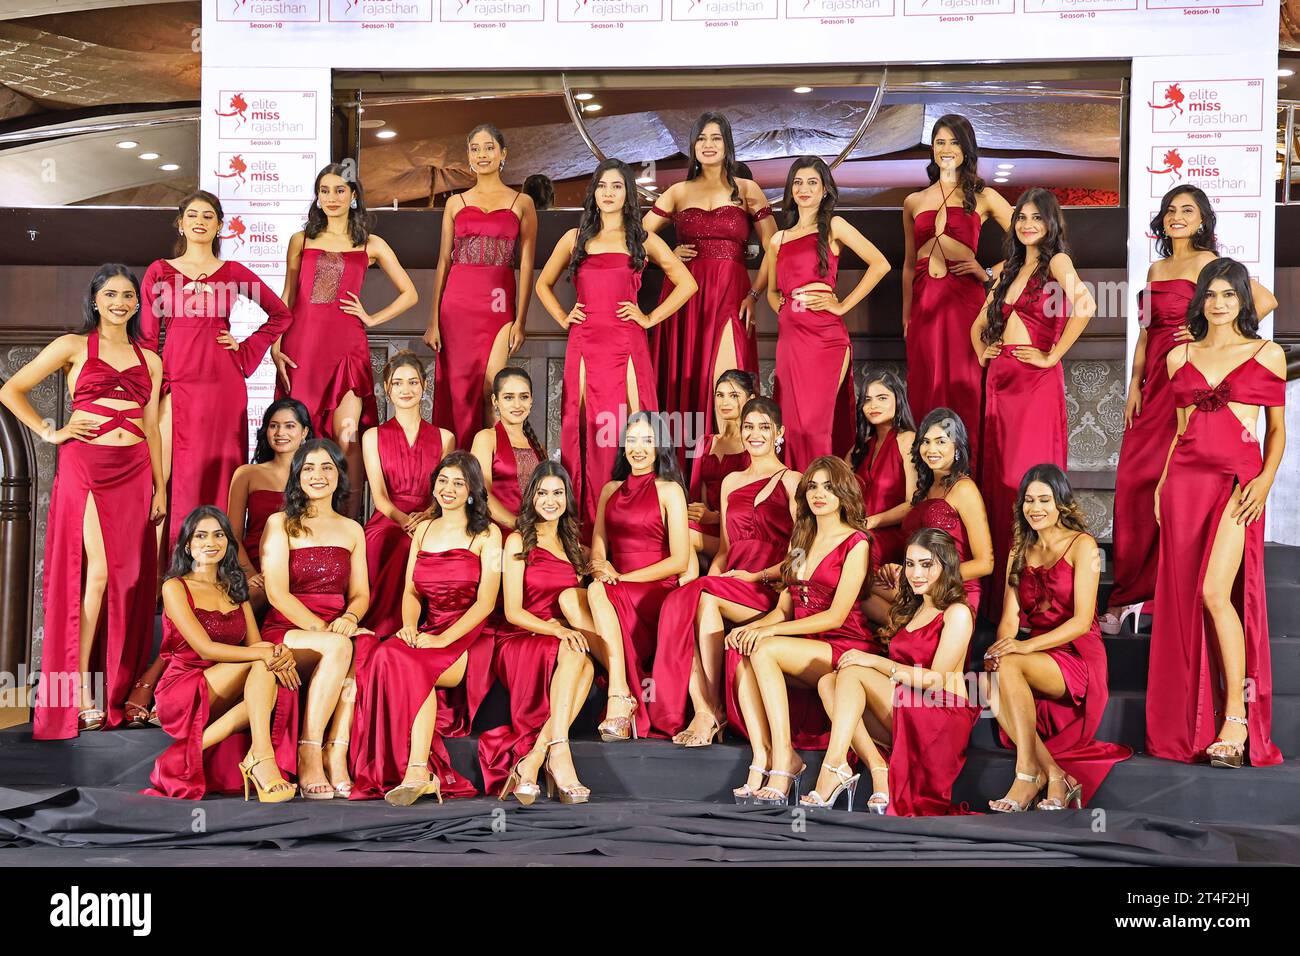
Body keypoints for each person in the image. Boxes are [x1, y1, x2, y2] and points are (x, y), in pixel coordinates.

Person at [1, 264, 164, 738]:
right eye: (111, 294)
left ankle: (111, 686)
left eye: (128, 295)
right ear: (95, 300)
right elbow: (11, 389)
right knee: (95, 573)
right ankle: (79, 692)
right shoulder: (73, 346)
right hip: (87, 466)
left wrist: (161, 486)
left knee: (128, 580)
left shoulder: (149, 358)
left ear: (138, 303)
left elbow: (152, 427)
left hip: (134, 470)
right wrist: (51, 432)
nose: (120, 302)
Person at [1105, 188, 1277, 633]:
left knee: (1180, 489)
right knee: (1135, 483)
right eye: (1170, 211)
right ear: (1161, 221)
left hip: (1190, 385)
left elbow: (1264, 300)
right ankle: (1132, 593)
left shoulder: (1209, 264)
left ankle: (1170, 593)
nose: (1177, 217)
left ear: (1202, 220)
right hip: (1154, 387)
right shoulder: (1155, 268)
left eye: (1188, 211)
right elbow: (1144, 334)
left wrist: (1203, 331)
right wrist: (1133, 386)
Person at [1148, 258, 1286, 767]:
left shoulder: (1266, 354)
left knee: (1214, 591)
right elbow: (1180, 428)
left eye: (1230, 295)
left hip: (1237, 482)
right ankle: (1190, 720)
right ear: (1200, 300)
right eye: (1212, 294)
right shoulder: (1178, 356)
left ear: (1243, 302)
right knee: (1185, 599)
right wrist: (1163, 484)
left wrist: (1265, 481)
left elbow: (1276, 432)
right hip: (1184, 481)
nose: (1220, 302)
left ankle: (1236, 715)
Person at [534, 158, 697, 535]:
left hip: (627, 342)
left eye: (617, 187)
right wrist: (563, 317)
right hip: (585, 341)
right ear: (594, 192)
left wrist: (649, 317)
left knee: (630, 428)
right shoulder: (575, 239)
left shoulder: (642, 239)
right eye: (603, 186)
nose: (609, 193)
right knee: (587, 428)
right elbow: (543, 285)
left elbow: (687, 283)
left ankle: (638, 523)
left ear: (628, 194)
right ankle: (586, 525)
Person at [141, 190, 293, 549]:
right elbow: (148, 341)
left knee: (222, 475)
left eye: (208, 216)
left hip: (223, 385)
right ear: (180, 223)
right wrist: (150, 390)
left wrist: (245, 349)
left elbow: (281, 315)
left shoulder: (233, 271)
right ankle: (170, 580)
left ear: (220, 226)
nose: (199, 221)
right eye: (192, 215)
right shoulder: (159, 271)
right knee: (171, 477)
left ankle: (221, 572)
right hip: (176, 383)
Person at [349, 451, 501, 805]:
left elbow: (486, 603)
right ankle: (383, 764)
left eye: (459, 483)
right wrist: (408, 627)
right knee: (384, 652)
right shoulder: (423, 530)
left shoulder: (489, 535)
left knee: (413, 666)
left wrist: (443, 639)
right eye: (443, 481)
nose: (448, 489)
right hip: (429, 628)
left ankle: (418, 770)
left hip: (469, 636)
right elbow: (411, 591)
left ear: (472, 490)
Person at [973, 187, 1095, 618]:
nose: (1027, 224)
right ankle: (1000, 604)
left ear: (1051, 224)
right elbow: (978, 326)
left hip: (1034, 384)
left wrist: (1051, 356)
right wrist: (983, 353)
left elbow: (1086, 305)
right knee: (999, 485)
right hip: (1000, 383)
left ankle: (1034, 602)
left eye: (1036, 218)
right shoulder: (1007, 269)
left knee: (1026, 485)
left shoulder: (1056, 263)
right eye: (1021, 217)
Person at [727, 456, 876, 805]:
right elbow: (783, 608)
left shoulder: (857, 542)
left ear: (843, 493)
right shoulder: (802, 540)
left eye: (828, 486)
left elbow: (836, 617)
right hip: (805, 643)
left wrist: (771, 636)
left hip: (845, 644)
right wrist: (754, 628)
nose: (819, 494)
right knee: (741, 650)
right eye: (812, 487)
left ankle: (786, 760)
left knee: (764, 648)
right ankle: (762, 756)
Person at [272, 164, 418, 514]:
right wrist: (276, 342)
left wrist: (371, 318)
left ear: (354, 196)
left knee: (347, 437)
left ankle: (346, 525)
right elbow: (288, 295)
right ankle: (297, 522)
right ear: (317, 197)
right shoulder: (301, 240)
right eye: (325, 190)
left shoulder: (370, 244)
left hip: (347, 350)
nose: (332, 197)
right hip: (302, 347)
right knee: (300, 438)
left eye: (340, 190)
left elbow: (410, 294)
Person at [984, 465, 1130, 812]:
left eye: (1044, 500)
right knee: (989, 678)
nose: (1035, 508)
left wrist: (1021, 646)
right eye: (1029, 500)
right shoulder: (1019, 550)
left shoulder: (1084, 546)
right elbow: (1009, 619)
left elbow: (1082, 622)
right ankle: (1051, 772)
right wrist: (1001, 647)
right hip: (1036, 654)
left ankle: (1025, 773)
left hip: (1077, 653)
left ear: (1061, 503)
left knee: (1010, 663)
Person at [656, 396, 800, 746]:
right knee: (686, 599)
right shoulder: (732, 482)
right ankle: (704, 707)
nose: (754, 434)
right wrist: (718, 576)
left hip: (770, 585)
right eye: (749, 426)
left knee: (700, 598)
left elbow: (801, 556)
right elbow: (723, 551)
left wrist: (754, 576)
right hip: (731, 582)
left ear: (779, 432)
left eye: (764, 427)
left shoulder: (794, 480)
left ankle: (713, 710)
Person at [806, 528, 977, 815]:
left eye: (926, 564)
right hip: (910, 706)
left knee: (855, 671)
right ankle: (878, 768)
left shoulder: (957, 612)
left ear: (946, 566)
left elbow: (935, 681)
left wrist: (873, 662)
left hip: (942, 715)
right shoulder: (914, 608)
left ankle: (834, 765)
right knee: (827, 682)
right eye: (910, 564)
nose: (916, 573)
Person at [644, 111, 775, 465]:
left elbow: (775, 247)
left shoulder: (747, 190)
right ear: (693, 146)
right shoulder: (677, 191)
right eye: (701, 139)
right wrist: (666, 256)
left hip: (733, 293)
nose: (708, 145)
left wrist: (755, 294)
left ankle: (736, 470)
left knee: (729, 384)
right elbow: (635, 237)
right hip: (684, 295)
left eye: (715, 138)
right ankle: (686, 475)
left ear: (727, 145)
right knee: (685, 375)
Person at [144, 507, 299, 802]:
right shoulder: (174, 587)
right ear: (187, 545)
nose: (210, 542)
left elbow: (255, 645)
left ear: (228, 542)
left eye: (218, 535)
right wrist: (268, 655)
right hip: (184, 687)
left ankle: (221, 751)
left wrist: (278, 653)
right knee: (265, 662)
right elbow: (205, 649)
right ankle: (263, 757)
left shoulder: (233, 588)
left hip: (226, 683)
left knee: (271, 667)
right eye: (200, 535)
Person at [477, 462, 609, 804]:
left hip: (561, 637)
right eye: (543, 493)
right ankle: (558, 755)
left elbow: (596, 575)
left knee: (587, 663)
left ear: (567, 498)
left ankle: (536, 757)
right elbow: (512, 611)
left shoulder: (572, 546)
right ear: (531, 497)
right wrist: (553, 629)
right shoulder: (518, 541)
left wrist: (602, 566)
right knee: (579, 656)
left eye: (558, 493)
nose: (551, 500)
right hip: (521, 635)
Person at [259, 439, 371, 799]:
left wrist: (351, 617)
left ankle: (335, 751)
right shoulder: (281, 523)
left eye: (326, 467)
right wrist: (323, 629)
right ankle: (309, 750)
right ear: (297, 476)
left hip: (334, 628)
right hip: (289, 629)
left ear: (339, 475)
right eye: (308, 468)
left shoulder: (352, 529)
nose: (318, 475)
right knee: (341, 646)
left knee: (367, 643)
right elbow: (276, 593)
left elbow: (360, 594)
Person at [768, 156, 890, 471]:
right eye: (798, 182)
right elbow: (772, 292)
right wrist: (787, 311)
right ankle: (792, 496)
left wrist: (842, 305)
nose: (804, 188)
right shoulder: (777, 240)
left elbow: (880, 264)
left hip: (826, 339)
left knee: (814, 426)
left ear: (825, 190)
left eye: (812, 182)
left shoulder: (834, 225)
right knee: (790, 426)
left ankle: (822, 498)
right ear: (790, 190)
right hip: (790, 341)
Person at [902, 114, 1013, 460]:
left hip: (965, 305)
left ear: (966, 150)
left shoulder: (984, 196)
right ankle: (928, 491)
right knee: (925, 390)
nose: (946, 149)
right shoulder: (913, 201)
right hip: (923, 308)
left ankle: (968, 487)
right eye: (939, 142)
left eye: (953, 142)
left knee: (966, 393)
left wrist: (989, 273)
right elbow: (907, 264)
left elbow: (1034, 244)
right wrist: (906, 315)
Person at [425, 124, 538, 449]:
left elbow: (526, 265)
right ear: (469, 157)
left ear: (503, 154)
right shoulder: (455, 203)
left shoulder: (522, 202)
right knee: (458, 392)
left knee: (493, 390)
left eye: (489, 147)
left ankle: (492, 477)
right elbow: (444, 262)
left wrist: (521, 320)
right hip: (456, 305)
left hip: (499, 304)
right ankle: (460, 476)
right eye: (475, 149)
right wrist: (433, 320)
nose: (481, 154)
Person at [584, 412, 692, 741]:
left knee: (598, 592)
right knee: (587, 592)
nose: (638, 448)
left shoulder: (670, 490)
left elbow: (680, 560)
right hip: (617, 585)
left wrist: (623, 578)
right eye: (631, 440)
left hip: (655, 590)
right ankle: (621, 690)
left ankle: (620, 696)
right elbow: (598, 548)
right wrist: (602, 567)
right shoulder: (610, 490)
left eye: (647, 440)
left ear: (659, 446)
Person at [866, 408, 992, 623]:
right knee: (860, 588)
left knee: (863, 591)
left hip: (953, 588)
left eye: (941, 441)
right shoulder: (924, 491)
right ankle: (903, 634)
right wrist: (899, 570)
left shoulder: (964, 489)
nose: (931, 449)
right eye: (926, 441)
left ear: (957, 446)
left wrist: (926, 577)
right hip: (920, 584)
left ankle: (909, 634)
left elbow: (985, 563)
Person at [359, 352, 453, 637]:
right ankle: (379, 631)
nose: (406, 390)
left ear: (424, 386)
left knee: (426, 546)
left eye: (413, 382)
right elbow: (379, 496)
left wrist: (425, 517)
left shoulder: (445, 437)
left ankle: (419, 630)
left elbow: (444, 494)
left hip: (430, 518)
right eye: (398, 383)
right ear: (387, 388)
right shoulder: (372, 436)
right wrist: (403, 520)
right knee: (389, 542)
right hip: (388, 517)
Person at [227, 397, 313, 611]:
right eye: (274, 426)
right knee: (250, 600)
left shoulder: (315, 475)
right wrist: (250, 574)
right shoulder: (247, 474)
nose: (280, 433)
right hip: (255, 565)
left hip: (300, 564)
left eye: (289, 426)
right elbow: (233, 536)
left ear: (304, 432)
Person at [847, 370, 917, 572]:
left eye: (882, 398)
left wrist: (872, 521)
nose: (873, 406)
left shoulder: (907, 440)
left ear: (898, 400)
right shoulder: (859, 449)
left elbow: (913, 503)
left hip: (891, 534)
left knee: (861, 551)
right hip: (859, 531)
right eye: (867, 399)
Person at [687, 369, 755, 561]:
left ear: (750, 399)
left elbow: (755, 503)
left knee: (684, 535)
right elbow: (697, 494)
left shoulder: (754, 443)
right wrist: (702, 514)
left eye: (733, 395)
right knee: (673, 527)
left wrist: (715, 517)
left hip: (738, 530)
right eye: (720, 395)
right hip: (706, 525)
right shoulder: (706, 442)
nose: (724, 402)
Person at [469, 366, 546, 532]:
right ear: (495, 401)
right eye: (509, 397)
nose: (517, 404)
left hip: (536, 532)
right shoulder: (485, 438)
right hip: (498, 532)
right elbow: (482, 494)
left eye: (524, 397)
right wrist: (518, 526)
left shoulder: (538, 447)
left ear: (531, 400)